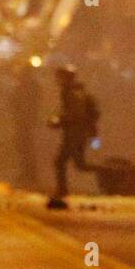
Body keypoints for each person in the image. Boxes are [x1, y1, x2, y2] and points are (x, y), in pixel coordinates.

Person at [47, 65, 99, 209]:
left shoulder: (71, 93)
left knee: (65, 162)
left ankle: (108, 171)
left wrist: (58, 121)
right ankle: (62, 189)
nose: (57, 80)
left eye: (60, 77)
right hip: (77, 133)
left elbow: (75, 114)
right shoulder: (76, 91)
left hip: (75, 134)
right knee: (77, 164)